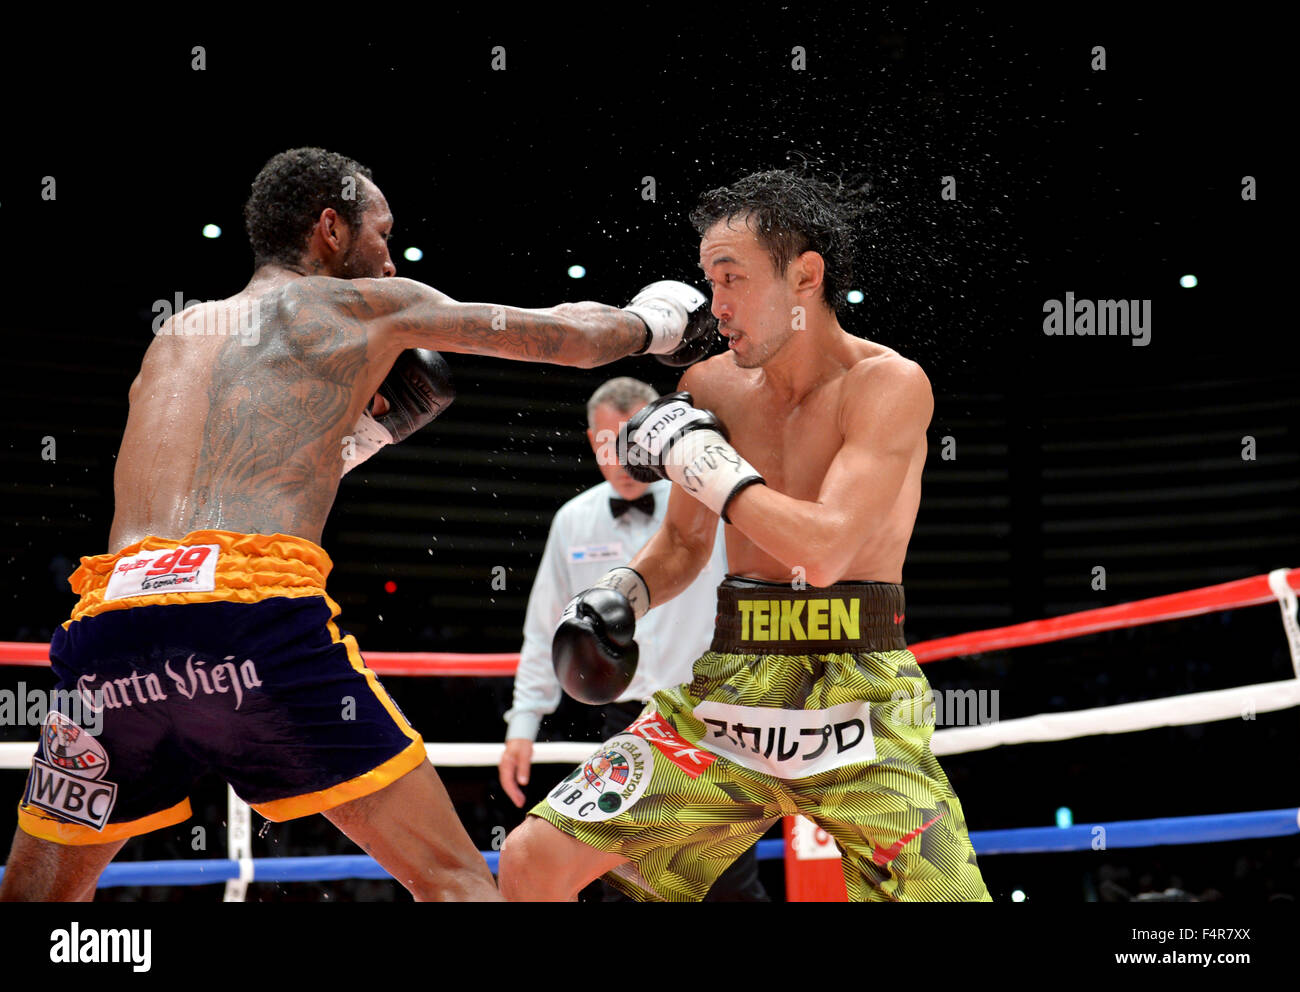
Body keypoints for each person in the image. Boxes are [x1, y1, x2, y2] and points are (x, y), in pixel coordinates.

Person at [0, 146, 714, 902]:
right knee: (456, 881)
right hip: (248, 623)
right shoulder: (355, 306)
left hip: (113, 632)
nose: (390, 255)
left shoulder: (177, 335)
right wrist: (658, 321)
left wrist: (356, 440)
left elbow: (226, 478)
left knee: (37, 902)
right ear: (330, 229)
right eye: (382, 232)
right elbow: (567, 338)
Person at [498, 168, 992, 902]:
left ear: (806, 276)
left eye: (731, 279)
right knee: (533, 858)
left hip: (861, 693)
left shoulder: (887, 385)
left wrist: (706, 463)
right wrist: (618, 596)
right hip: (733, 684)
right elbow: (684, 546)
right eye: (708, 281)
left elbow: (823, 552)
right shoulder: (710, 387)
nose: (715, 305)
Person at [499, 376, 767, 901]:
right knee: (621, 880)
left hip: (712, 715)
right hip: (628, 723)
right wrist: (523, 722)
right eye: (605, 444)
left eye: (633, 443)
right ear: (589, 439)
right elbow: (545, 627)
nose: (620, 460)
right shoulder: (573, 520)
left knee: (724, 882)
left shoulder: (705, 502)